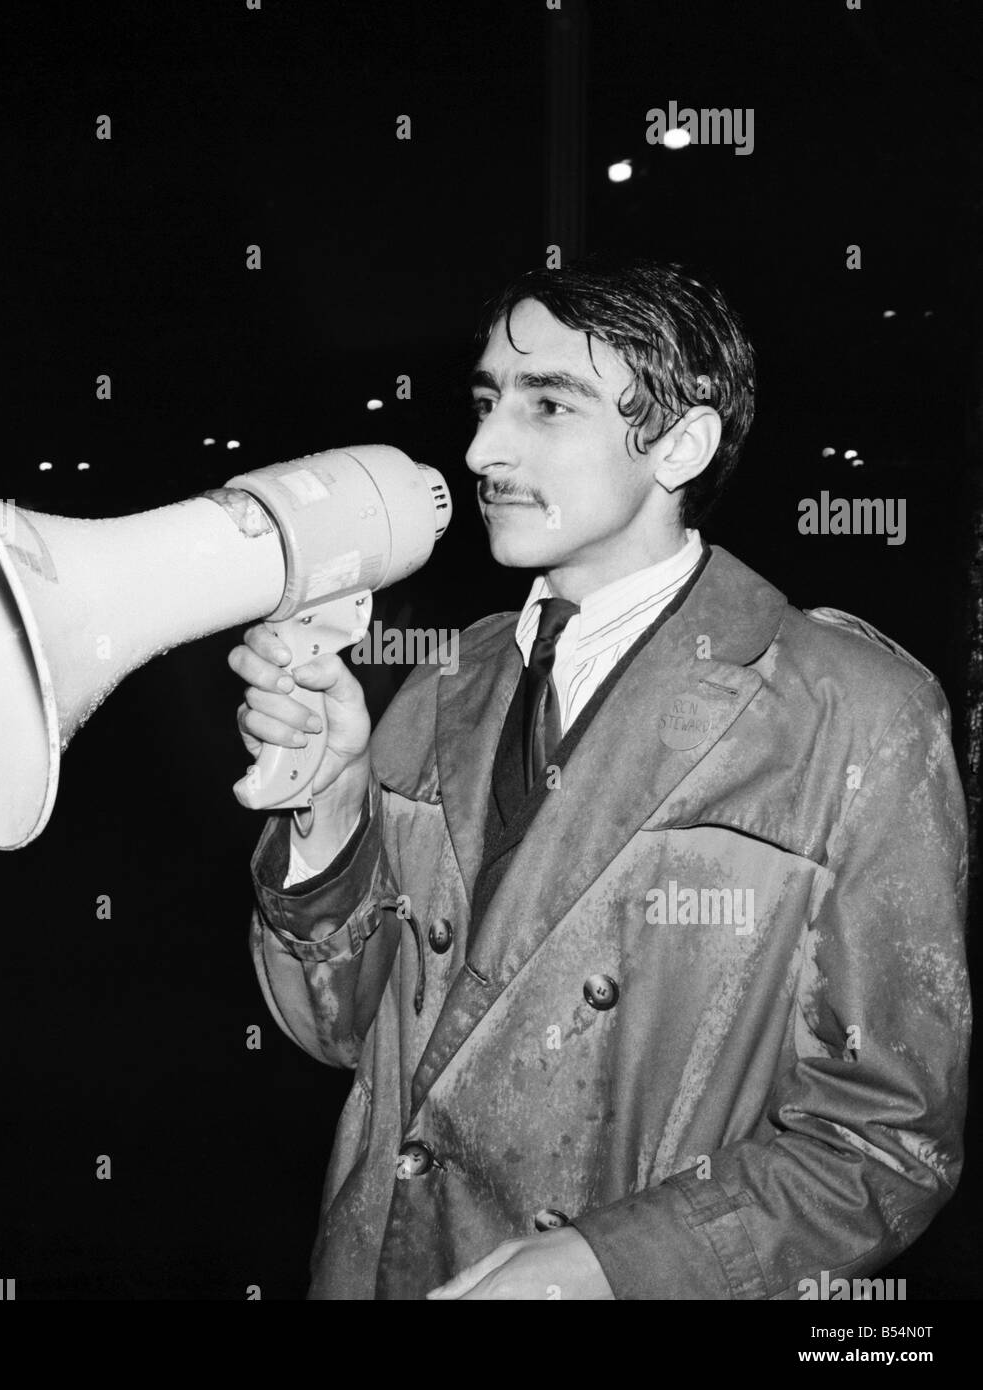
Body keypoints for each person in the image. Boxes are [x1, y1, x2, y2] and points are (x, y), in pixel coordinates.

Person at [230, 256, 971, 1300]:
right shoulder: (439, 682)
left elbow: (887, 1146)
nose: (483, 447)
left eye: (548, 404)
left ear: (679, 442)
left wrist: (611, 1263)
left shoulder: (850, 714)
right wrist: (331, 810)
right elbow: (340, 1035)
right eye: (487, 400)